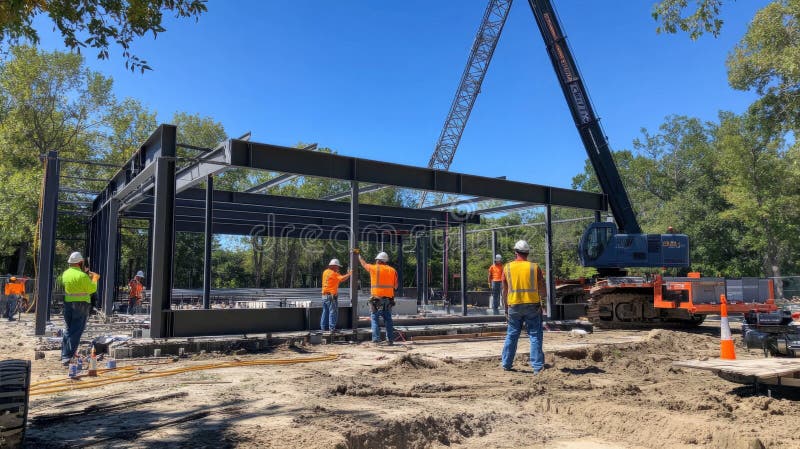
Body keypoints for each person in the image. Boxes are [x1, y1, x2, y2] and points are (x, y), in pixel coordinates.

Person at [501, 240, 547, 373]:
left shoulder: (507, 267)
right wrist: (542, 303)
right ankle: (537, 367)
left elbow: (504, 290)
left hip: (514, 305)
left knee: (512, 334)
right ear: (527, 253)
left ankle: (506, 364)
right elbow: (542, 287)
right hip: (532, 305)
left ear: (515, 252)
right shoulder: (534, 267)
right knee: (535, 335)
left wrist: (505, 307)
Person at [59, 251, 100, 366]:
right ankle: (67, 357)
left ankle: (64, 354)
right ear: (80, 262)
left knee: (68, 329)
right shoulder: (82, 276)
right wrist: (94, 279)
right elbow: (91, 289)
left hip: (68, 304)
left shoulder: (65, 274)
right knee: (76, 331)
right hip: (81, 305)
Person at [357, 250, 398, 345]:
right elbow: (396, 286)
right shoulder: (393, 270)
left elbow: (364, 264)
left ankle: (376, 339)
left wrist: (359, 256)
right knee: (388, 320)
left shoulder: (374, 268)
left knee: (375, 319)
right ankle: (390, 340)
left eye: (376, 260)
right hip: (388, 300)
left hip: (376, 299)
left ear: (379, 260)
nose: (375, 261)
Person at [320, 259, 352, 333]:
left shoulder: (325, 272)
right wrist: (349, 274)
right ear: (334, 266)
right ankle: (332, 328)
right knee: (333, 312)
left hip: (324, 295)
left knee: (325, 311)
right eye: (337, 267)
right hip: (331, 296)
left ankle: (323, 327)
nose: (338, 268)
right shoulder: (333, 274)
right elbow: (342, 278)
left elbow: (334, 279)